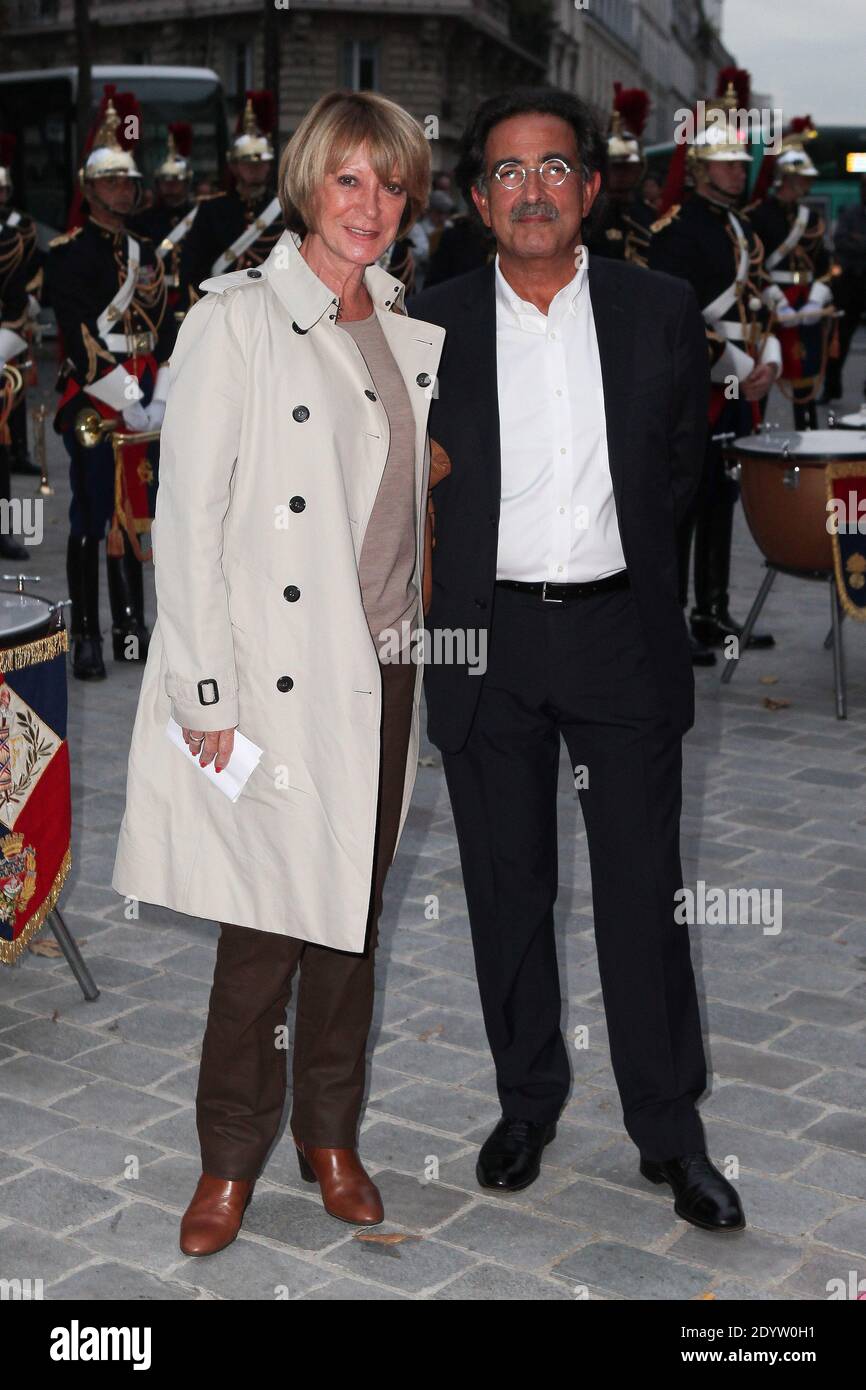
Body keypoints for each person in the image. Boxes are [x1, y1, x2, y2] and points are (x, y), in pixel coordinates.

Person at [111, 89, 445, 1256]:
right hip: (274, 678)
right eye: (349, 179)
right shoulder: (236, 319)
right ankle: (226, 1160)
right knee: (262, 939)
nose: (371, 205)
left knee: (350, 926)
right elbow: (188, 523)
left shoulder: (401, 324)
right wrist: (204, 694)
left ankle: (329, 1136)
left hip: (386, 668)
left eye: (391, 184)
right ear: (308, 184)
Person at [409, 86, 745, 1232]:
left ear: (590, 191)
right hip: (488, 641)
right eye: (507, 172)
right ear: (477, 198)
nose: (532, 190)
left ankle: (668, 1130)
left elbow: (677, 472)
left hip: (616, 635)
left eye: (553, 169)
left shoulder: (657, 308)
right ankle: (525, 1102)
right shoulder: (430, 318)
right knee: (507, 888)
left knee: (640, 896)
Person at [648, 81, 781, 662]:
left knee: (723, 497)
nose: (737, 171)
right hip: (696, 388)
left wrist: (770, 359)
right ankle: (670, 620)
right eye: (725, 163)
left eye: (739, 162)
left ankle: (713, 612)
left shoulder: (743, 229)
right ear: (701, 167)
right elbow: (674, 318)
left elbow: (762, 302)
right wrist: (740, 364)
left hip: (739, 390)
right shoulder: (677, 232)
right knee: (685, 504)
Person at [44, 96, 176, 680]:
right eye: (113, 180)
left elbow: (165, 324)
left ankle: (131, 626)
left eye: (129, 180)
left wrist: (163, 393)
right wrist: (130, 401)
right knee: (92, 515)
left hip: (145, 392)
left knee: (139, 513)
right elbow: (77, 338)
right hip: (96, 398)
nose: (125, 190)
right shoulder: (68, 254)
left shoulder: (147, 251)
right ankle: (87, 637)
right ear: (90, 188)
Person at [747, 121, 833, 430]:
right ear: (786, 178)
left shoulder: (810, 218)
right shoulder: (758, 216)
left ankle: (807, 430)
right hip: (773, 306)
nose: (807, 184)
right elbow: (753, 267)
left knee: (804, 376)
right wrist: (777, 302)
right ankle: (757, 432)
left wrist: (816, 301)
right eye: (801, 178)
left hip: (806, 302)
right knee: (767, 373)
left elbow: (824, 266)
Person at [180, 94, 284, 307]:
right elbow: (194, 268)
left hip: (275, 307)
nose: (255, 168)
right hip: (225, 307)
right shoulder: (212, 211)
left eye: (261, 163)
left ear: (270, 166)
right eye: (247, 163)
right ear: (234, 166)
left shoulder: (285, 211)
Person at [0, 133, 42, 485]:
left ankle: (19, 450)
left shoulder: (19, 228)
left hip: (9, 321)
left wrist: (31, 298)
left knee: (14, 390)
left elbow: (31, 268)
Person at [130, 124, 200, 320]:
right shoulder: (142, 220)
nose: (171, 187)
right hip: (157, 294)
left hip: (195, 293)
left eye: (176, 181)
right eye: (166, 182)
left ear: (187, 183)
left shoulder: (200, 216)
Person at [584, 83, 655, 265]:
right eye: (614, 165)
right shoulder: (587, 216)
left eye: (628, 166)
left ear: (640, 169)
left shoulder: (649, 216)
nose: (621, 174)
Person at [821, 173, 866, 403]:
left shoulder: (851, 218)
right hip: (850, 284)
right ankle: (831, 387)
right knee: (839, 338)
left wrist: (858, 241)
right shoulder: (850, 214)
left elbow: (850, 243)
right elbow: (841, 241)